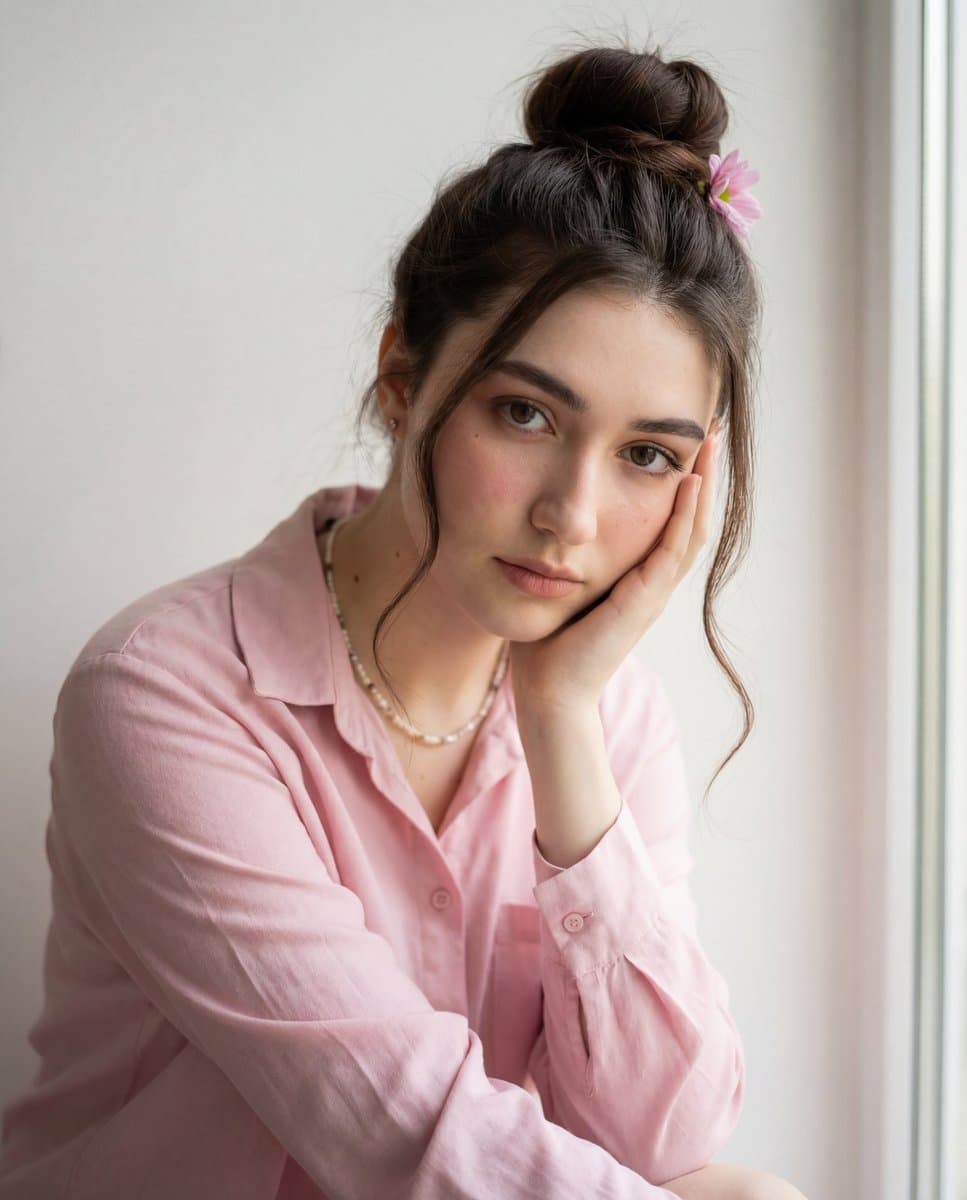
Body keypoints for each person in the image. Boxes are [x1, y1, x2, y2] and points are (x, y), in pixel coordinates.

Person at [0, 37, 808, 1200]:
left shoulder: (609, 717)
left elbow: (661, 1138)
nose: (571, 517)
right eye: (525, 414)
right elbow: (394, 1128)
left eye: (645, 454)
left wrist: (560, 721)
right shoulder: (162, 692)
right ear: (400, 377)